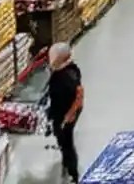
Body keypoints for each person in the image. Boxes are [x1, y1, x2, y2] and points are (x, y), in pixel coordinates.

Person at [46, 42, 83, 183]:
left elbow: (79, 94)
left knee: (67, 141)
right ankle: (66, 160)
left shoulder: (68, 76)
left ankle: (73, 173)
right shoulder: (62, 71)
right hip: (60, 109)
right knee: (60, 136)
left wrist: (70, 114)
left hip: (67, 112)